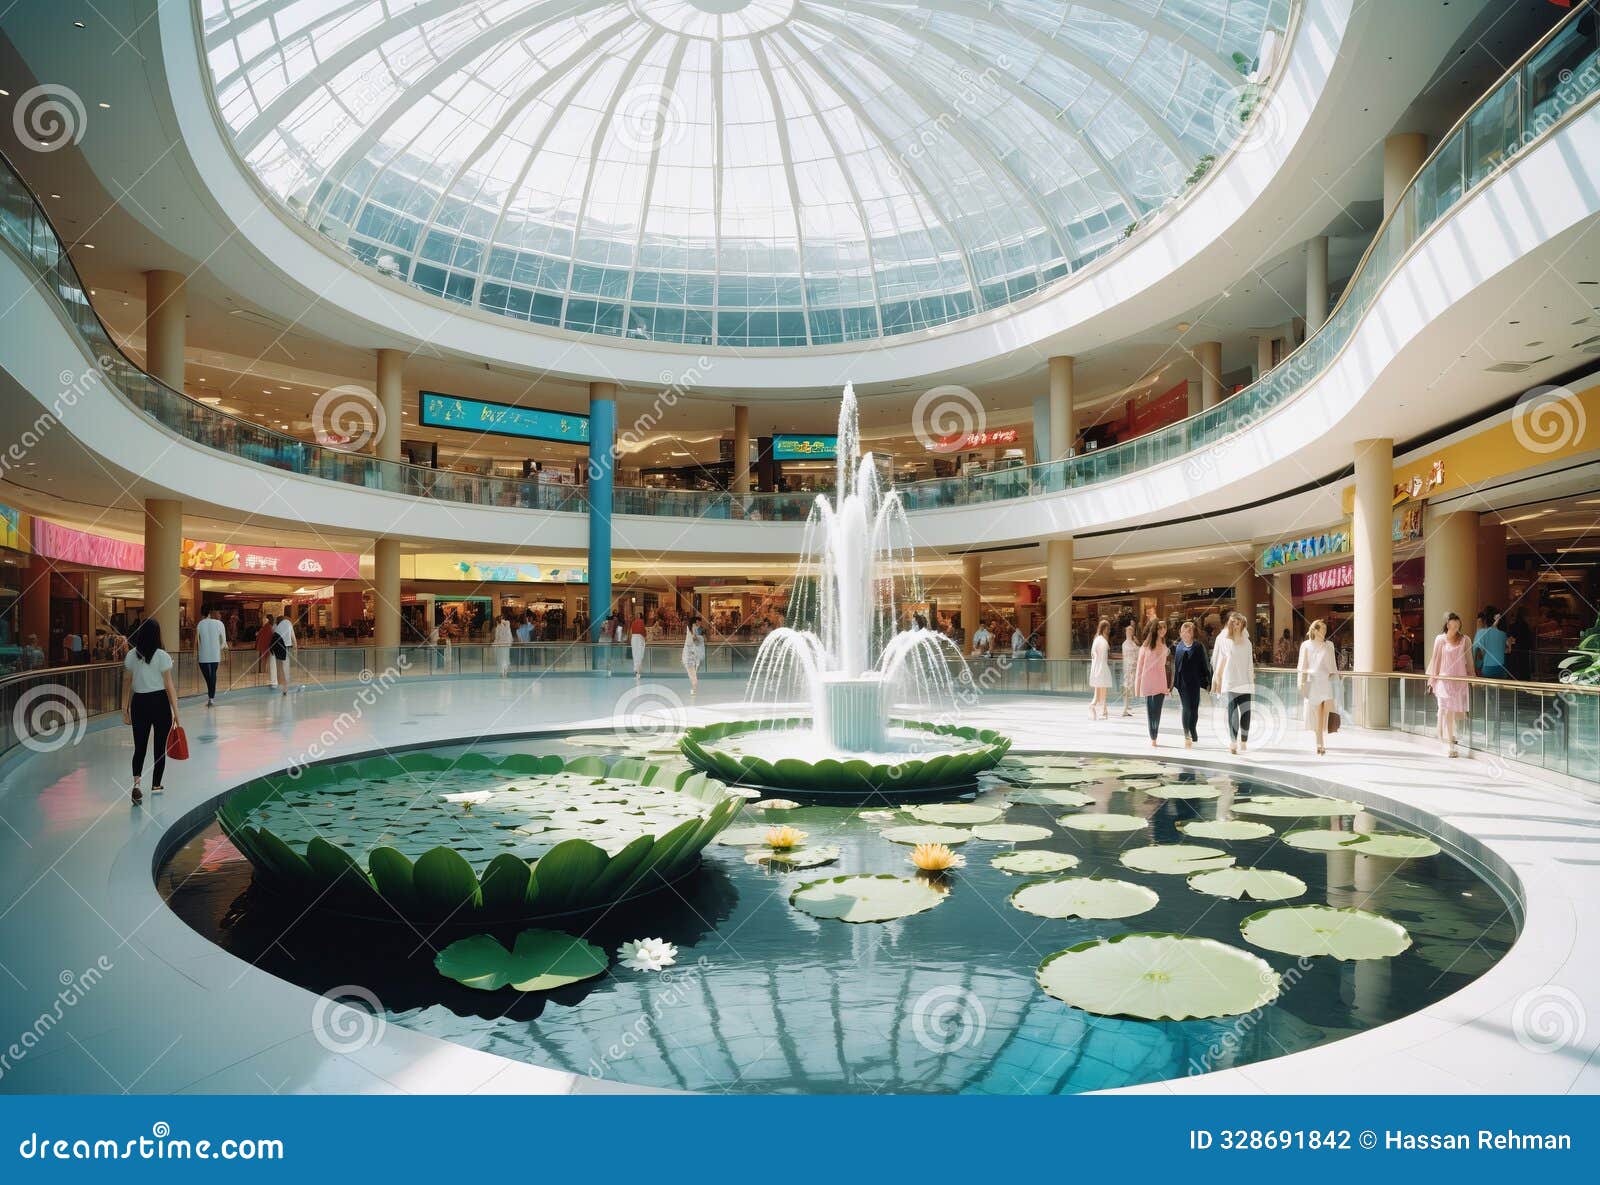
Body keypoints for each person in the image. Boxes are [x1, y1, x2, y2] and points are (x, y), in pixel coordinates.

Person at [121, 619, 178, 805]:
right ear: (157, 634)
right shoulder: (162, 656)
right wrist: (177, 712)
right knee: (159, 747)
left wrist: (125, 708)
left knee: (140, 747)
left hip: (139, 703)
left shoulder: (131, 655)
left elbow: (127, 683)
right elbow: (169, 686)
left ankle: (136, 785)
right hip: (160, 703)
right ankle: (156, 784)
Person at [1427, 611, 1475, 757]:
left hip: (1459, 680)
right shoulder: (1440, 639)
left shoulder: (1465, 639)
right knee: (1446, 710)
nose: (1455, 627)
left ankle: (1449, 737)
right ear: (1447, 624)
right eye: (1453, 624)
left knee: (1453, 711)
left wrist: (1472, 676)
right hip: (1443, 680)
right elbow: (1436, 659)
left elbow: (1469, 659)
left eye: (1458, 624)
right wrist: (1432, 680)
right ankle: (1449, 746)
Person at [1211, 611, 1255, 755]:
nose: (1236, 625)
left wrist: (1251, 684)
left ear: (1243, 624)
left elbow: (1250, 665)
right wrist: (1217, 679)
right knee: (1232, 712)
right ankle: (1232, 741)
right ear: (1230, 624)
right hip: (1230, 682)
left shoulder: (1247, 643)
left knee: (1246, 712)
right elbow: (1221, 662)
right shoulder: (1225, 641)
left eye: (1239, 622)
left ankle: (1243, 740)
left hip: (1245, 682)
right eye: (1234, 623)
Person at [1297, 619, 1339, 756]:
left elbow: (1333, 666)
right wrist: (1301, 683)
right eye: (1322, 629)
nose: (1325, 631)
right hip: (1312, 682)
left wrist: (1336, 680)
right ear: (1315, 630)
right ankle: (1319, 742)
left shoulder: (1329, 645)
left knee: (1324, 712)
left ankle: (1321, 740)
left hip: (1326, 682)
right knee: (1316, 713)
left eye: (1326, 629)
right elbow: (1302, 666)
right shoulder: (1306, 645)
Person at [1171, 620, 1212, 749]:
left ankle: (1193, 729)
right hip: (1183, 683)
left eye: (1189, 631)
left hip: (1195, 682)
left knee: (1194, 709)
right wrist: (1173, 684)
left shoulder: (1198, 646)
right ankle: (1186, 734)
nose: (1187, 633)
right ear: (1180, 633)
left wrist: (1208, 680)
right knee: (1186, 708)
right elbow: (1176, 666)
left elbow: (1205, 664)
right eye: (1184, 631)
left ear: (1193, 633)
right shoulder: (1178, 647)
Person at [1134, 619, 1171, 748]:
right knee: (1151, 712)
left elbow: (1166, 667)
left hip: (1160, 683)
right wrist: (1137, 687)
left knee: (1158, 711)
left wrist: (1168, 686)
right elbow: (1139, 667)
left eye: (1164, 628)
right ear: (1155, 629)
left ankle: (1155, 736)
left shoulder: (1165, 645)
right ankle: (1153, 737)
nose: (1162, 630)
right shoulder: (1146, 646)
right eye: (1160, 628)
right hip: (1148, 682)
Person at [195, 606, 227, 707]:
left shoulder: (200, 624)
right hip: (215, 655)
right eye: (218, 613)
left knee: (208, 677)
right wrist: (218, 648)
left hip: (203, 655)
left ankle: (211, 696)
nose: (219, 615)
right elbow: (224, 642)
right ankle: (211, 697)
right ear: (211, 613)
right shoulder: (219, 624)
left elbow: (198, 641)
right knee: (213, 674)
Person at [1472, 607, 1510, 678]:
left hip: (1487, 670)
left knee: (1487, 689)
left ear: (1485, 619)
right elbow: (1506, 650)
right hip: (1501, 669)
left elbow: (1477, 652)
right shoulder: (1503, 634)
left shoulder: (1481, 633)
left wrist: (1477, 667)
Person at [1087, 618, 1114, 720]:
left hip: (1097, 669)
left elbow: (1094, 656)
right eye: (1107, 628)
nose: (1109, 631)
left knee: (1099, 694)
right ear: (1104, 628)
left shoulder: (1097, 639)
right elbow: (1102, 657)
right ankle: (1099, 710)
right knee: (1102, 694)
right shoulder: (1102, 641)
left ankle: (1104, 712)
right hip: (1102, 669)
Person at [682, 614, 706, 696]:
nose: (701, 624)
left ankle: (694, 688)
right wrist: (700, 639)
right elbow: (694, 637)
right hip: (691, 651)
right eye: (700, 622)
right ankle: (694, 688)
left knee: (692, 672)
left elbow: (693, 637)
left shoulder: (690, 627)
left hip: (689, 651)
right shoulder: (693, 626)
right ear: (697, 621)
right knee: (693, 673)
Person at [1119, 621, 1139, 718]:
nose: (1129, 633)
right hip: (1128, 669)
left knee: (1130, 688)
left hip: (1133, 669)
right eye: (1128, 631)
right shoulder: (1125, 644)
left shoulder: (1133, 643)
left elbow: (1137, 654)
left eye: (1131, 631)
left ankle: (1127, 707)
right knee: (1127, 687)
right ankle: (1125, 708)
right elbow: (1127, 656)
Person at [271, 613, 294, 694]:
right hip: (283, 647)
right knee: (283, 668)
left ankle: (282, 685)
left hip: (276, 647)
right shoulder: (287, 625)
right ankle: (284, 686)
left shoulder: (275, 626)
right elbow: (293, 639)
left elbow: (272, 634)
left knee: (279, 668)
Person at [255, 616, 275, 686]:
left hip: (264, 646)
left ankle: (263, 673)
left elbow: (259, 635)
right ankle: (264, 674)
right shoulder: (269, 627)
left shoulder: (266, 627)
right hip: (267, 646)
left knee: (264, 660)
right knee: (266, 660)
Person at [492, 612, 513, 676]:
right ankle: (503, 672)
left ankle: (505, 671)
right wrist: (495, 644)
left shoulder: (506, 623)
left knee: (505, 658)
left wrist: (501, 621)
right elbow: (497, 637)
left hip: (505, 645)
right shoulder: (498, 627)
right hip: (501, 645)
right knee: (502, 658)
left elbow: (507, 626)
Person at [630, 611, 647, 679]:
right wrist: (645, 637)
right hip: (637, 638)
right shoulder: (635, 622)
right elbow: (642, 631)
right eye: (636, 614)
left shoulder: (639, 622)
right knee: (638, 654)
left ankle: (638, 672)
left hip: (636, 638)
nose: (637, 616)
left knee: (637, 654)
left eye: (638, 615)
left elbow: (642, 630)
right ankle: (637, 672)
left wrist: (645, 637)